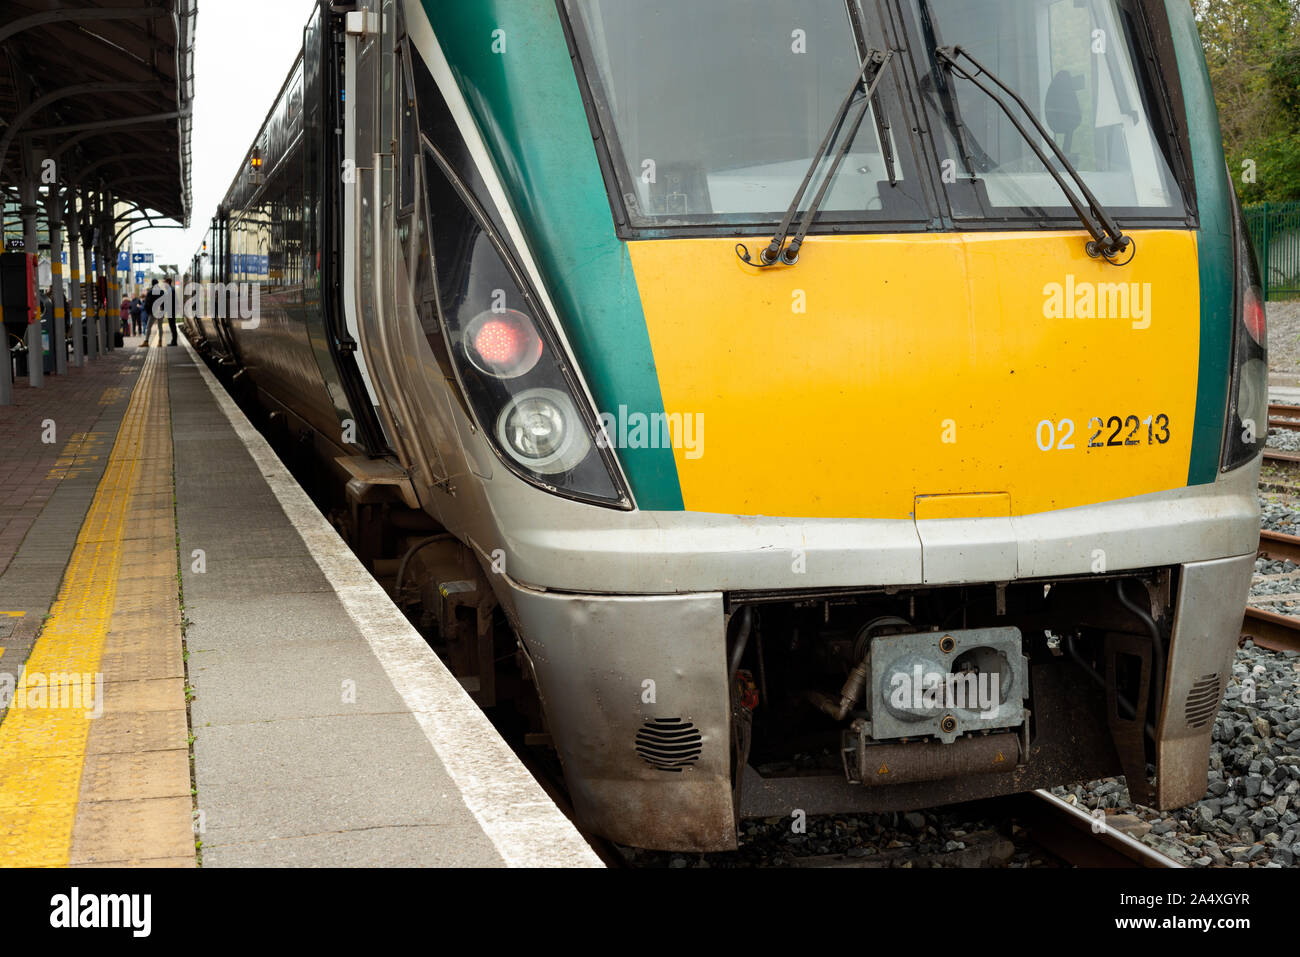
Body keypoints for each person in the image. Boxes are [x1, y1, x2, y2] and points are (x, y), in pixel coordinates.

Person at [142, 278, 161, 347]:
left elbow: (147, 303)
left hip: (152, 312)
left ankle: (146, 341)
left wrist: (148, 312)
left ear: (152, 284)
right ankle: (160, 342)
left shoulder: (150, 292)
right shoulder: (161, 291)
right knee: (160, 327)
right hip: (160, 311)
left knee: (148, 327)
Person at [162, 276, 179, 346]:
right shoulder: (171, 289)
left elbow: (168, 301)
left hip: (171, 311)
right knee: (172, 326)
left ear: (167, 283)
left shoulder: (170, 290)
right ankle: (174, 341)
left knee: (172, 326)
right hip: (172, 310)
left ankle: (174, 342)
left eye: (164, 283)